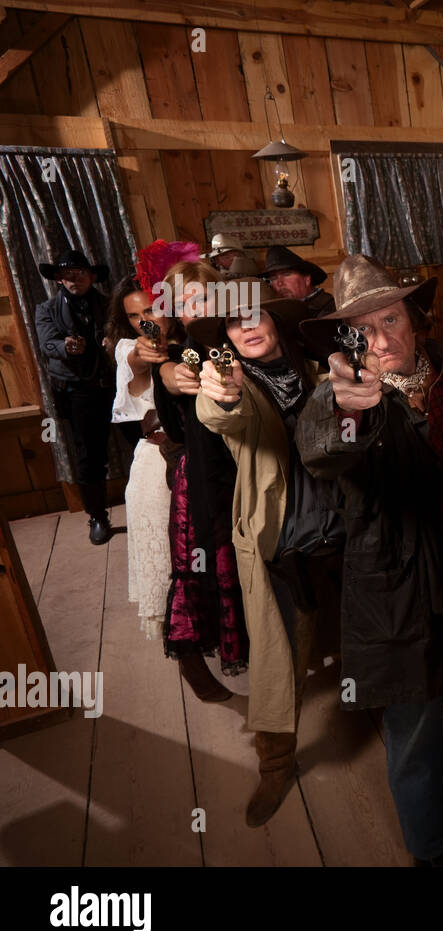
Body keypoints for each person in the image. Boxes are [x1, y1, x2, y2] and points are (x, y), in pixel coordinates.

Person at [296, 254, 443, 864]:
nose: (380, 338)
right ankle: (430, 850)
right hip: (396, 589)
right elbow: (322, 451)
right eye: (361, 330)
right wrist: (347, 406)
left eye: (390, 319)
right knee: (414, 726)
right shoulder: (342, 403)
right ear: (344, 344)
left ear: (415, 320)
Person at [190, 277, 340, 828]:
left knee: (372, 636)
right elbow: (221, 413)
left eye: (255, 315)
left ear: (275, 321)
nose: (247, 327)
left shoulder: (316, 370)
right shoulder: (238, 384)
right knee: (280, 665)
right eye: (234, 322)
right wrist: (217, 393)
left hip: (347, 536)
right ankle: (276, 764)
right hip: (287, 545)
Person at [152, 259, 248, 698]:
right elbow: (173, 395)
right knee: (203, 566)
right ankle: (194, 659)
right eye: (184, 300)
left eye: (203, 295)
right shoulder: (180, 354)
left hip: (246, 471)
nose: (196, 306)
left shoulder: (239, 338)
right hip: (205, 483)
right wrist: (169, 379)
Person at [106, 243, 193, 647]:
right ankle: (186, 662)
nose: (145, 322)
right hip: (157, 469)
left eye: (151, 310)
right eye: (134, 316)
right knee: (168, 567)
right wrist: (148, 352)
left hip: (201, 462)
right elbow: (141, 357)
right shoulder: (129, 348)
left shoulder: (196, 340)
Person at [34, 249, 114, 544]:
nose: (74, 279)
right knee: (89, 457)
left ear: (92, 276)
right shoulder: (46, 309)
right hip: (79, 392)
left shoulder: (109, 305)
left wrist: (113, 341)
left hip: (115, 385)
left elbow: (123, 331)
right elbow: (46, 343)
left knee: (141, 442)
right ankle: (97, 517)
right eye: (68, 275)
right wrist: (65, 346)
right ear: (59, 279)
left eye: (79, 273)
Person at [261, 245, 335, 319]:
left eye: (286, 274)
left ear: (307, 279)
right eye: (274, 278)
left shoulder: (330, 308)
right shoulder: (276, 311)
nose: (279, 283)